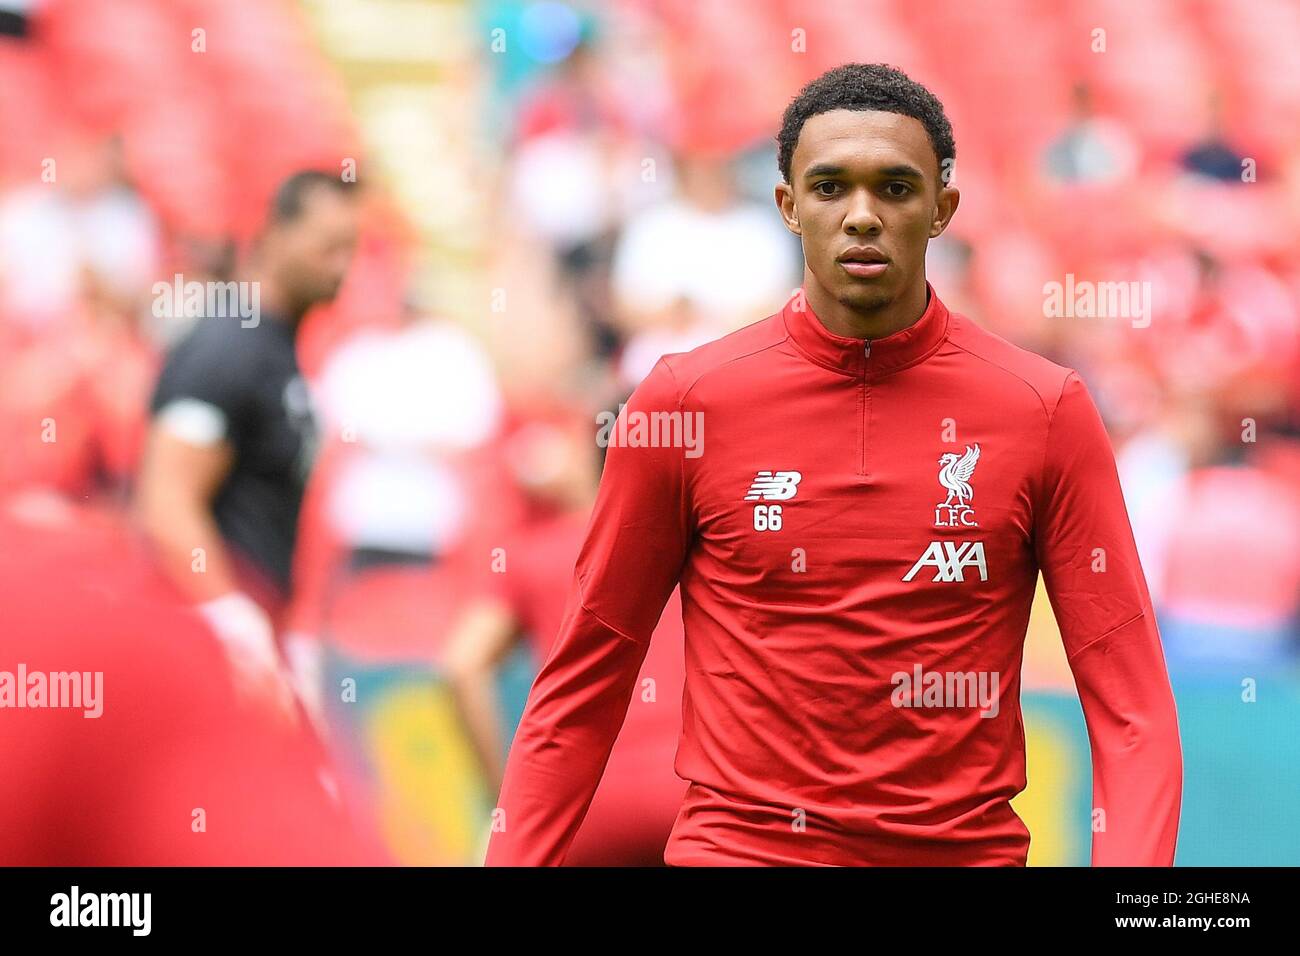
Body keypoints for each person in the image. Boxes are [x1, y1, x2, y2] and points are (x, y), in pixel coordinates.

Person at [485, 63, 1182, 867]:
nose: (861, 216)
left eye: (894, 187)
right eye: (828, 188)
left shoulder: (1045, 410)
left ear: (942, 209)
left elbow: (1133, 710)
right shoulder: (682, 403)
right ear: (786, 206)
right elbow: (580, 689)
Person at [134, 170, 359, 724]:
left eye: (350, 249)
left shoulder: (275, 346)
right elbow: (166, 498)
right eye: (328, 245)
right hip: (200, 654)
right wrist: (232, 619)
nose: (342, 265)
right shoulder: (229, 343)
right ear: (277, 232)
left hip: (260, 628)